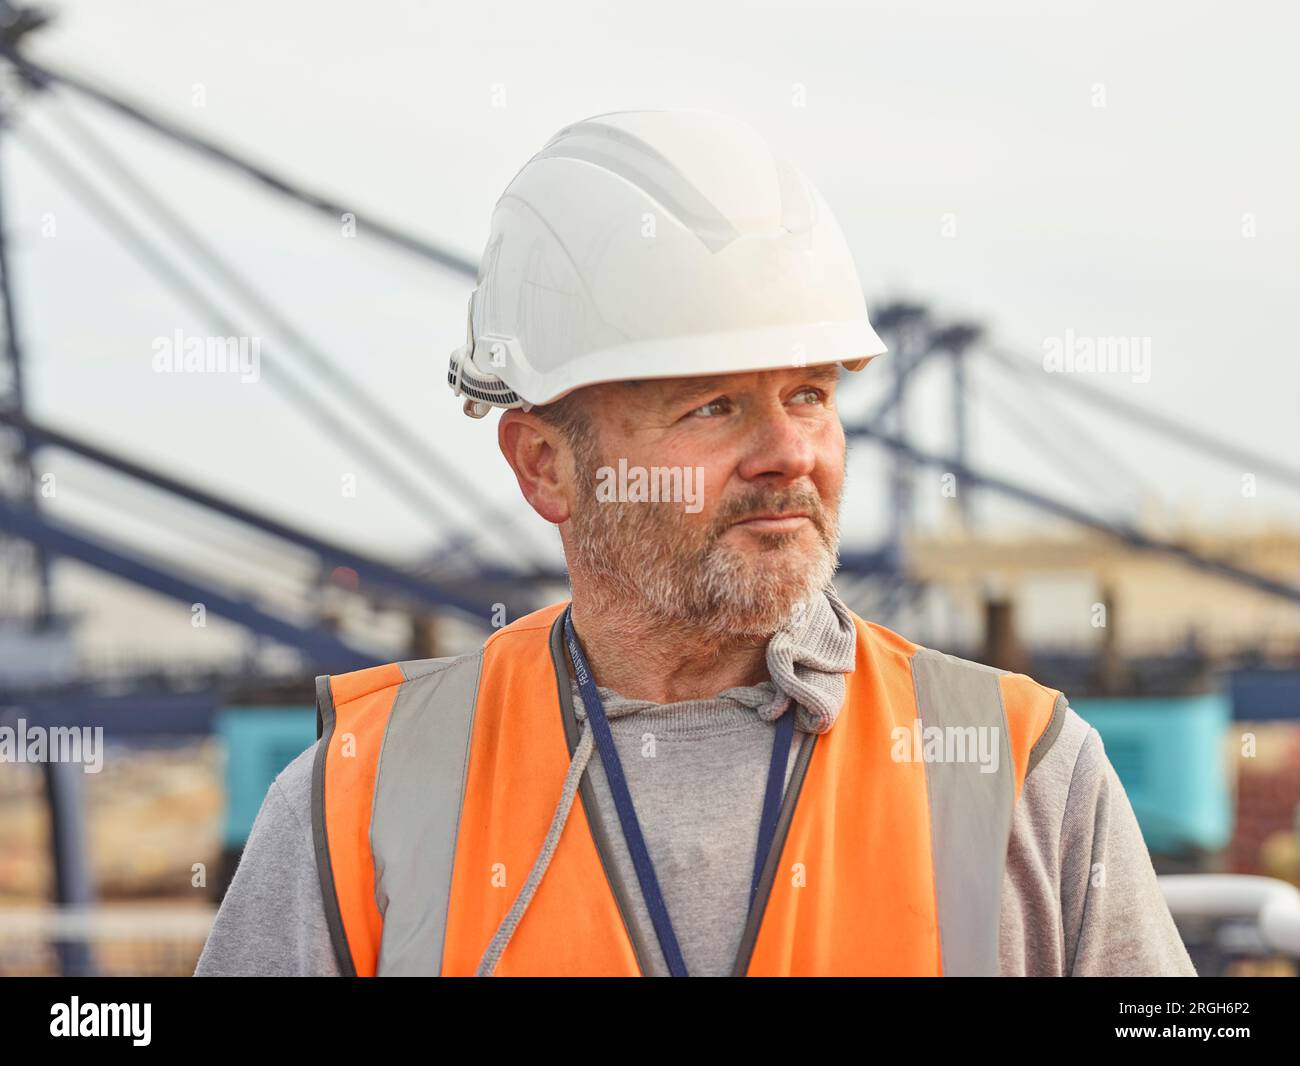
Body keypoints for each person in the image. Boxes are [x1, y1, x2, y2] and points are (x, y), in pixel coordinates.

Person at [195, 109, 1195, 977]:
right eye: (714, 404)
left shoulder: (1022, 769)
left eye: (811, 392)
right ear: (544, 464)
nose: (790, 452)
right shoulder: (358, 798)